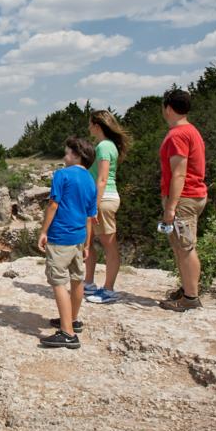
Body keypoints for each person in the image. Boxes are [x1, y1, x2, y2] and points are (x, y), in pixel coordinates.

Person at [37, 137, 97, 349]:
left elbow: (53, 205)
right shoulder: (90, 180)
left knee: (58, 282)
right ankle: (72, 320)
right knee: (77, 279)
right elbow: (90, 217)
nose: (64, 156)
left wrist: (44, 231)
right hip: (79, 238)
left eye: (67, 152)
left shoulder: (62, 175)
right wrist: (87, 245)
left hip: (61, 236)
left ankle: (67, 333)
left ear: (77, 155)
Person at [157, 89, 207, 312]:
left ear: (168, 108)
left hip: (184, 198)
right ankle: (187, 288)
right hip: (192, 195)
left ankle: (190, 297)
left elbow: (179, 173)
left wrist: (171, 207)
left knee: (185, 247)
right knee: (180, 246)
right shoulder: (191, 131)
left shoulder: (177, 135)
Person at [84, 110, 132, 305]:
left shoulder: (104, 146)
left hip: (103, 200)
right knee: (87, 242)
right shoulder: (107, 145)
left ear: (97, 125)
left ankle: (109, 289)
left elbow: (102, 179)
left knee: (109, 246)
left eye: (90, 124)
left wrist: (94, 207)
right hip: (100, 200)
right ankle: (88, 283)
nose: (89, 128)